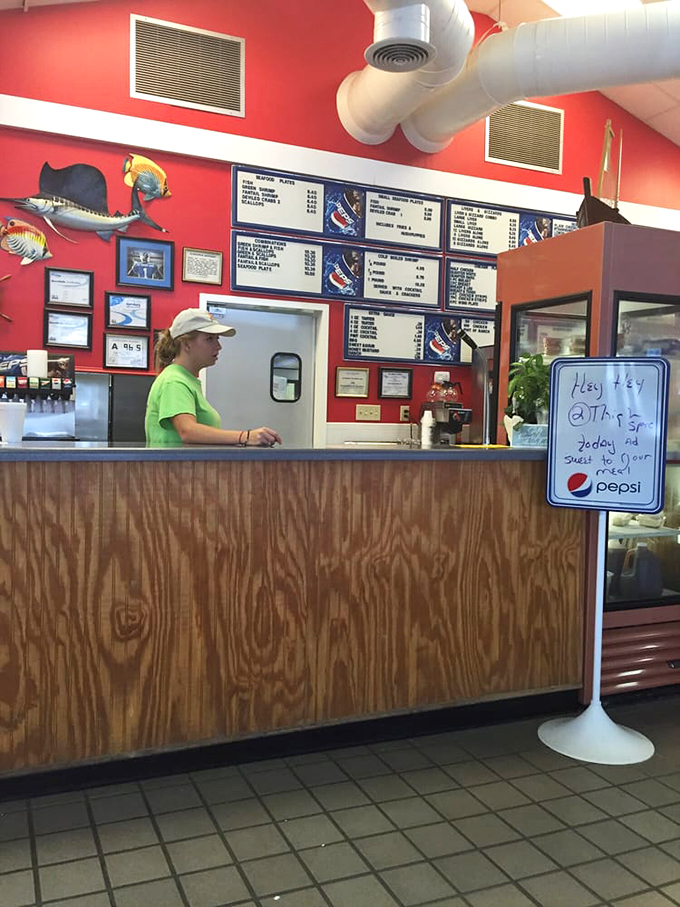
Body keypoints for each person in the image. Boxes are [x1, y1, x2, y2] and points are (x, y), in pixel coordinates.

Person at [145, 308, 282, 446]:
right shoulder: (174, 381)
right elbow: (187, 431)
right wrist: (245, 437)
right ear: (186, 344)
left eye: (217, 338)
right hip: (174, 468)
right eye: (209, 339)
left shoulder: (186, 380)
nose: (218, 346)